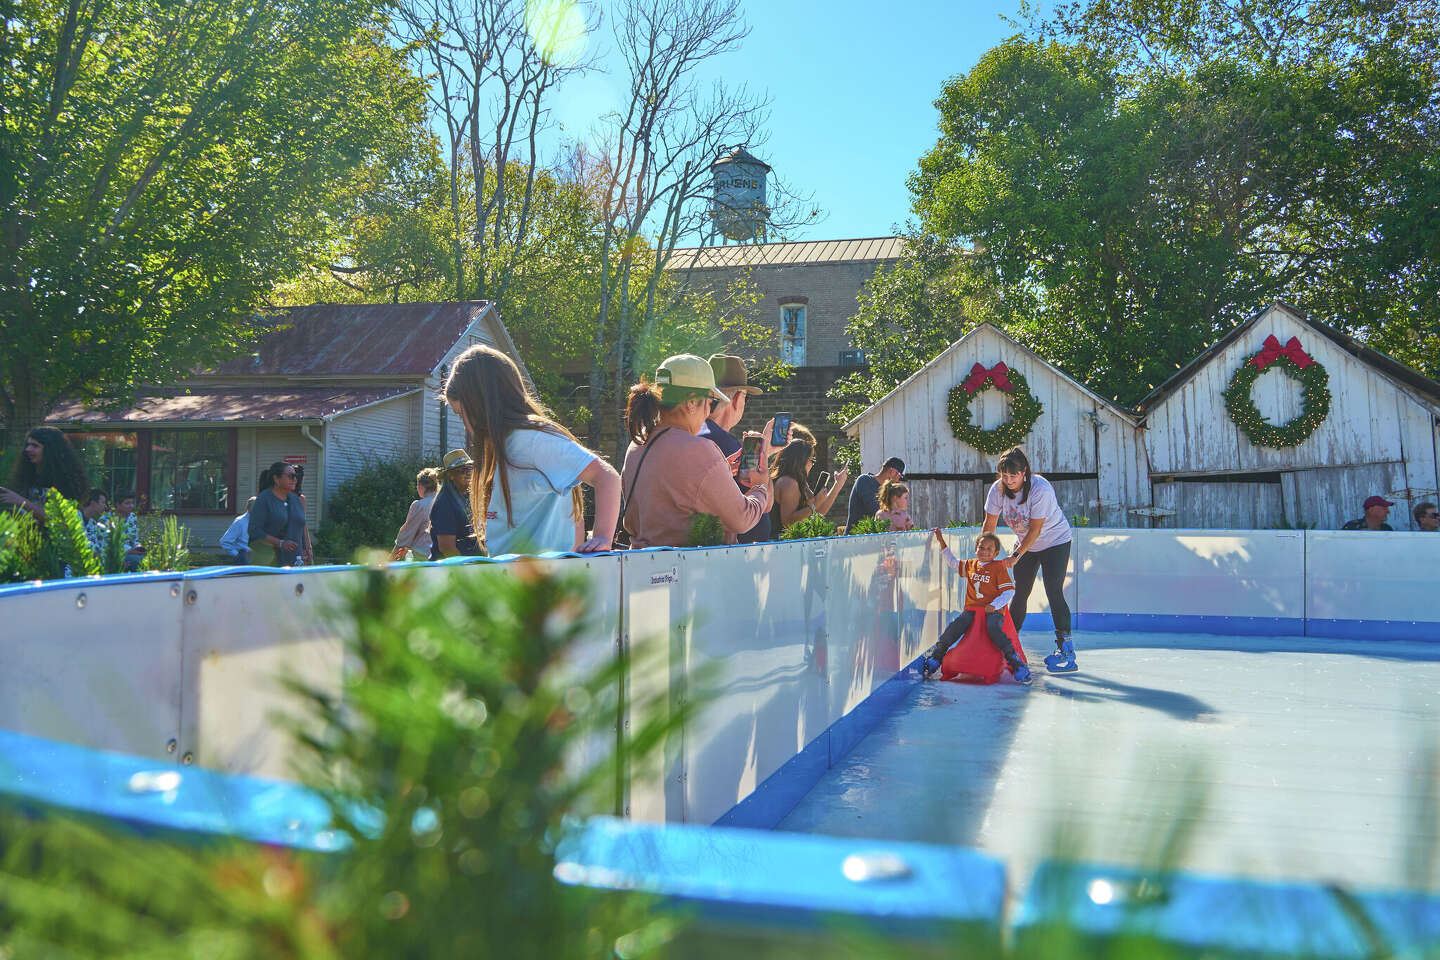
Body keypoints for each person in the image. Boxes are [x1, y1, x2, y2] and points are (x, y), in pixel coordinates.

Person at [442, 344, 621, 555]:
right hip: (513, 579)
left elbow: (607, 477)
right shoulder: (507, 443)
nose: (465, 426)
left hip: (541, 581)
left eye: (462, 414)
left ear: (481, 403)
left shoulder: (531, 440)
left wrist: (601, 538)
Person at [619, 354, 778, 548]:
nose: (708, 412)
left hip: (642, 566)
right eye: (710, 401)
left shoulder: (638, 442)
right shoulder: (697, 449)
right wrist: (761, 487)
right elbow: (742, 519)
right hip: (692, 570)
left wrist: (720, 470)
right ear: (691, 402)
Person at [983, 447, 1077, 673]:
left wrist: (1015, 556)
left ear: (1024, 472)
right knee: (1020, 591)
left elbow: (1035, 530)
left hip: (1055, 541)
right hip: (1026, 545)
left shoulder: (1040, 489)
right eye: (1004, 476)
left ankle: (1066, 647)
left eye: (1013, 476)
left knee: (1053, 589)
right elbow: (989, 525)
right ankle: (1008, 644)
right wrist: (984, 554)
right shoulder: (998, 490)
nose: (1008, 480)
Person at [921, 529, 1029, 684]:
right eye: (981, 547)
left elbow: (1009, 591)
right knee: (955, 627)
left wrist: (994, 605)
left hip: (993, 611)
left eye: (989, 549)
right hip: (972, 609)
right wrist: (941, 540)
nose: (984, 551)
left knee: (993, 628)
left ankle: (1015, 662)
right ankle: (936, 657)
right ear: (976, 549)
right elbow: (952, 561)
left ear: (996, 552)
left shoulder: (998, 567)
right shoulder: (971, 564)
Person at [702, 354, 770, 544]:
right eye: (746, 399)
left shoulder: (694, 434)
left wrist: (767, 452)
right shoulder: (723, 441)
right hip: (731, 557)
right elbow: (764, 504)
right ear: (738, 398)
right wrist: (763, 481)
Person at [1, 426, 88, 521]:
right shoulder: (26, 476)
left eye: (35, 446)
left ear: (51, 450)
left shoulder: (68, 480)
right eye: (28, 445)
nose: (27, 449)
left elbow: (60, 520)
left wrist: (22, 502)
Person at [771, 435, 849, 532]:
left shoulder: (799, 481)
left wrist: (838, 484)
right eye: (812, 460)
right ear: (801, 461)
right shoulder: (788, 483)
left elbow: (818, 513)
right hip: (781, 544)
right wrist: (815, 504)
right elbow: (788, 523)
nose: (812, 464)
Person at [247, 462, 306, 566]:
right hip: (269, 562)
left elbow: (301, 527)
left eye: (296, 476)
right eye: (291, 476)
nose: (295, 480)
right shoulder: (264, 499)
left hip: (295, 560)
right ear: (276, 479)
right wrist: (280, 543)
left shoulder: (296, 500)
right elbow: (254, 530)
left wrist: (306, 549)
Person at [429, 449, 482, 559]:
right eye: (463, 470)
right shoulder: (445, 503)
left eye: (470, 469)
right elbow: (447, 548)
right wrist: (465, 572)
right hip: (451, 570)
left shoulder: (469, 497)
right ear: (450, 475)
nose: (468, 473)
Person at [391, 467, 440, 560]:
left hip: (422, 557)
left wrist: (389, 560)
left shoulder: (419, 505)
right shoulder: (444, 502)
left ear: (420, 486)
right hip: (443, 557)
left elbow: (405, 536)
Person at [846, 456, 904, 532]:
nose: (898, 482)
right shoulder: (864, 480)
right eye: (899, 478)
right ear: (892, 472)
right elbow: (876, 510)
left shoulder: (888, 491)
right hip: (853, 539)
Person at [111, 492, 144, 571]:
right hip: (116, 555)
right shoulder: (107, 520)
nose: (131, 506)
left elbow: (134, 539)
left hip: (132, 552)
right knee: (137, 561)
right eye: (127, 503)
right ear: (117, 505)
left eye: (132, 503)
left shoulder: (132, 517)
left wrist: (138, 548)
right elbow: (105, 546)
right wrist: (128, 551)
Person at [81, 489, 110, 557]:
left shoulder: (92, 523)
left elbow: (97, 547)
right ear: (93, 503)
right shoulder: (74, 518)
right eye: (103, 502)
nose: (105, 507)